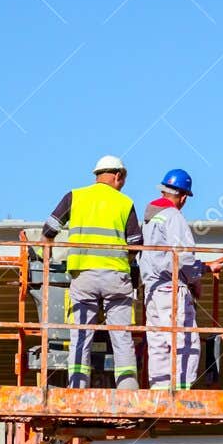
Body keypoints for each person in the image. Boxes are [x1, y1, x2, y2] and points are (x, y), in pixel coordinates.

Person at [43, 155, 143, 389]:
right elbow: (136, 244)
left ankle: (77, 385)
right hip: (116, 277)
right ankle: (127, 388)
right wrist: (122, 262)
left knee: (81, 334)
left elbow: (49, 231)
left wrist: (46, 263)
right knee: (121, 335)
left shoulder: (74, 196)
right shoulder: (124, 202)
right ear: (118, 176)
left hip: (83, 276)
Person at [140, 168, 205, 390]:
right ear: (183, 196)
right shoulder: (173, 216)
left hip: (151, 288)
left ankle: (159, 389)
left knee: (158, 341)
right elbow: (184, 257)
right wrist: (196, 279)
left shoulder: (150, 216)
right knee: (185, 340)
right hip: (171, 287)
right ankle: (181, 388)